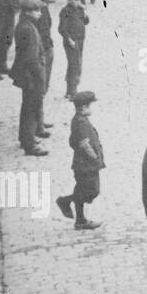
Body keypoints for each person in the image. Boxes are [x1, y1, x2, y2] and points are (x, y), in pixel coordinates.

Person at [54, 90, 103, 230]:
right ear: (83, 107)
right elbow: (83, 144)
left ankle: (80, 220)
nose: (91, 109)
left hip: (82, 164)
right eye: (89, 106)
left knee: (82, 190)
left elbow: (72, 141)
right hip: (86, 165)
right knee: (91, 191)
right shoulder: (81, 122)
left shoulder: (79, 120)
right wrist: (94, 158)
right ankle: (64, 201)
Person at [11, 0, 48, 157]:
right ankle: (29, 144)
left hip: (25, 74)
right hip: (31, 76)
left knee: (27, 107)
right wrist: (41, 78)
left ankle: (25, 137)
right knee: (31, 110)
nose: (39, 13)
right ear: (28, 12)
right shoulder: (29, 29)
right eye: (36, 10)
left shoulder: (23, 25)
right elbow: (32, 58)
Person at [57, 0, 87, 99]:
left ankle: (70, 90)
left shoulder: (80, 9)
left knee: (76, 64)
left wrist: (85, 12)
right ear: (68, 0)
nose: (77, 2)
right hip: (71, 41)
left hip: (81, 40)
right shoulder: (65, 11)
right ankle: (72, 91)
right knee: (74, 65)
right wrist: (68, 39)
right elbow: (61, 28)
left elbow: (86, 22)